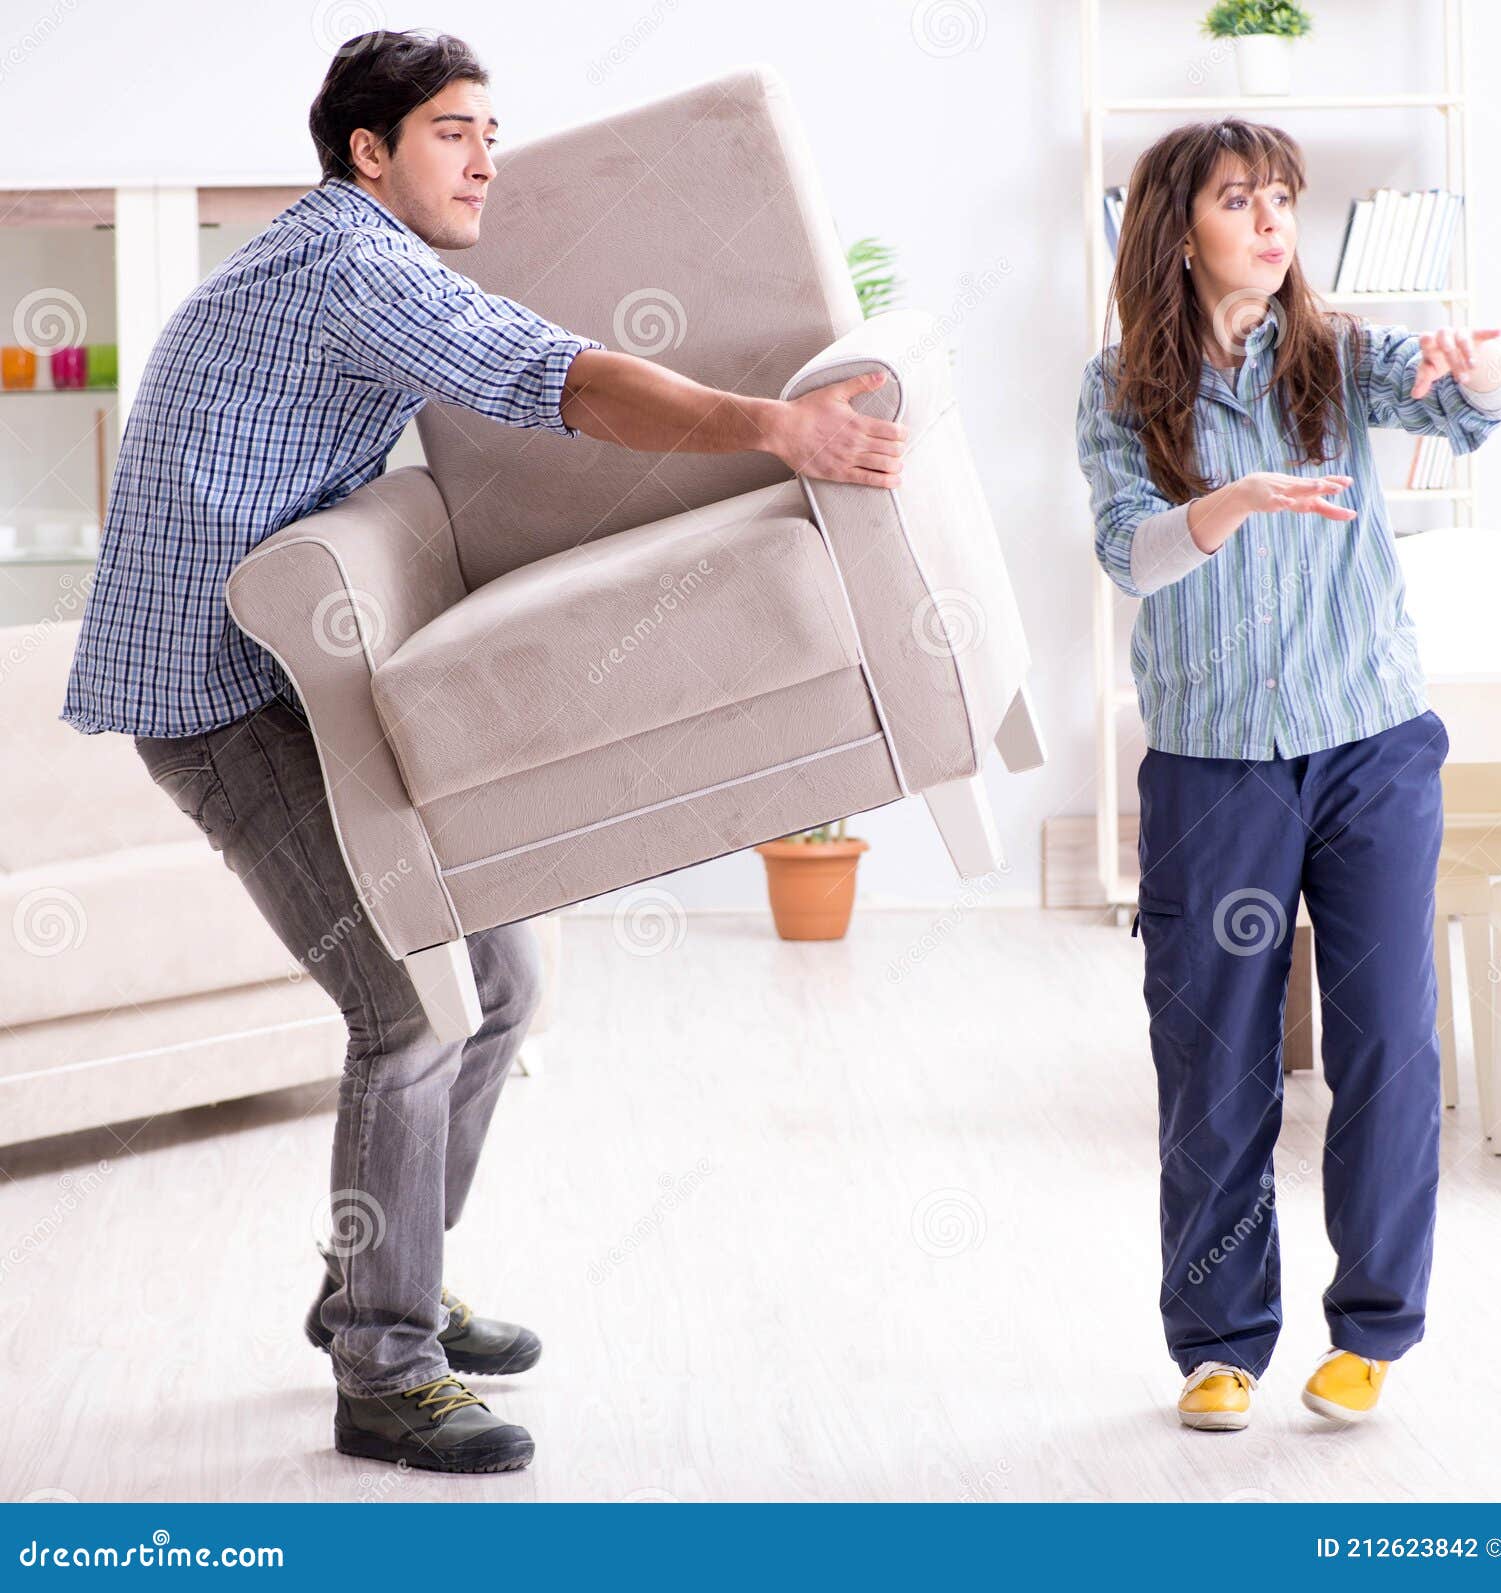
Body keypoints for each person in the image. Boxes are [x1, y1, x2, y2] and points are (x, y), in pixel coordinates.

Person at [60, 29, 906, 1476]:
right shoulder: (353, 263)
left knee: (502, 973)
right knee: (412, 1006)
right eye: (455, 131)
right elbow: (552, 375)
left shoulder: (353, 258)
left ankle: (370, 1281)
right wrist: (775, 428)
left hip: (292, 680)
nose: (487, 158)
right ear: (369, 153)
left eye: (492, 129)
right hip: (217, 699)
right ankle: (384, 1371)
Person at [1075, 120, 1501, 1432]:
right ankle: (1218, 1342)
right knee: (1216, 1059)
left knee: (1386, 1035)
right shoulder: (1118, 388)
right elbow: (1129, 554)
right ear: (1179, 227)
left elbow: (1471, 410)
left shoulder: (1336, 354)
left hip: (1373, 743)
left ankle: (1374, 1328)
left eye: (1283, 199)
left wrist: (1477, 361)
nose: (1273, 223)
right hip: (1215, 768)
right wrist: (1234, 504)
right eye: (1240, 200)